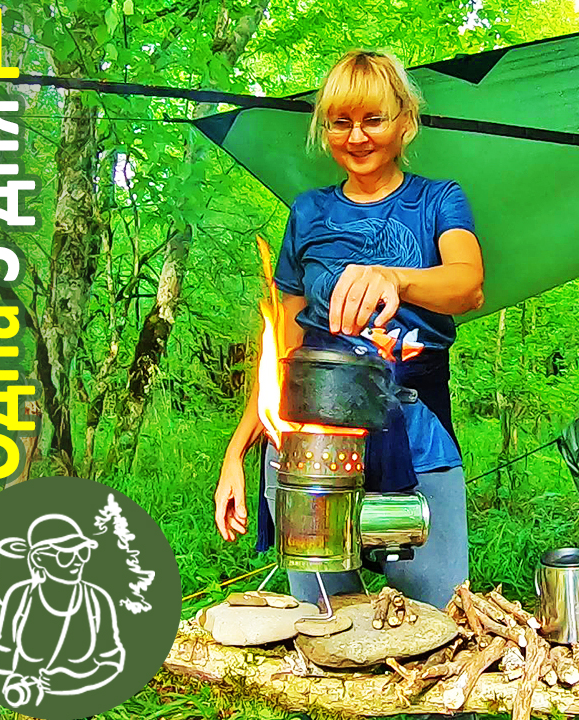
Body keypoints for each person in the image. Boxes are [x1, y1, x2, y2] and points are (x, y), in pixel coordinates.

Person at [214, 49, 484, 609]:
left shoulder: (437, 200)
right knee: (323, 622)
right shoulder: (308, 213)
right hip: (310, 444)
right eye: (340, 122)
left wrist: (396, 279)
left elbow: (468, 283)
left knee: (438, 617)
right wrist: (236, 453)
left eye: (373, 119)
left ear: (405, 121)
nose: (356, 137)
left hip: (414, 430)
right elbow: (282, 351)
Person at [0, 514, 125, 708]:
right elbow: (2, 655)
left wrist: (78, 682)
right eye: (66, 555)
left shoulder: (97, 600)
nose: (78, 561)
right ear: (39, 558)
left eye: (82, 552)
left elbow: (112, 661)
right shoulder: (20, 597)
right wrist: (2, 691)